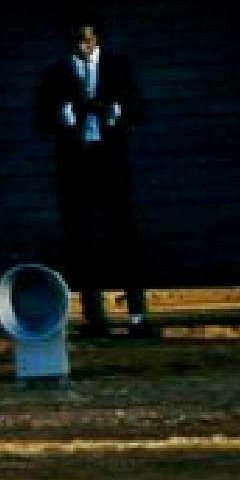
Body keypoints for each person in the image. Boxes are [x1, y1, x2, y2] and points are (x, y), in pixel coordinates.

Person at [33, 22, 156, 339]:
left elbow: (139, 108)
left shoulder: (117, 66)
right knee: (80, 239)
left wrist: (114, 110)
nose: (82, 47)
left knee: (125, 234)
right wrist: (64, 115)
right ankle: (95, 317)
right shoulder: (56, 73)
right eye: (76, 41)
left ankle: (138, 315)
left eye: (87, 40)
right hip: (75, 163)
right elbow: (41, 120)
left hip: (111, 160)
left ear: (97, 39)